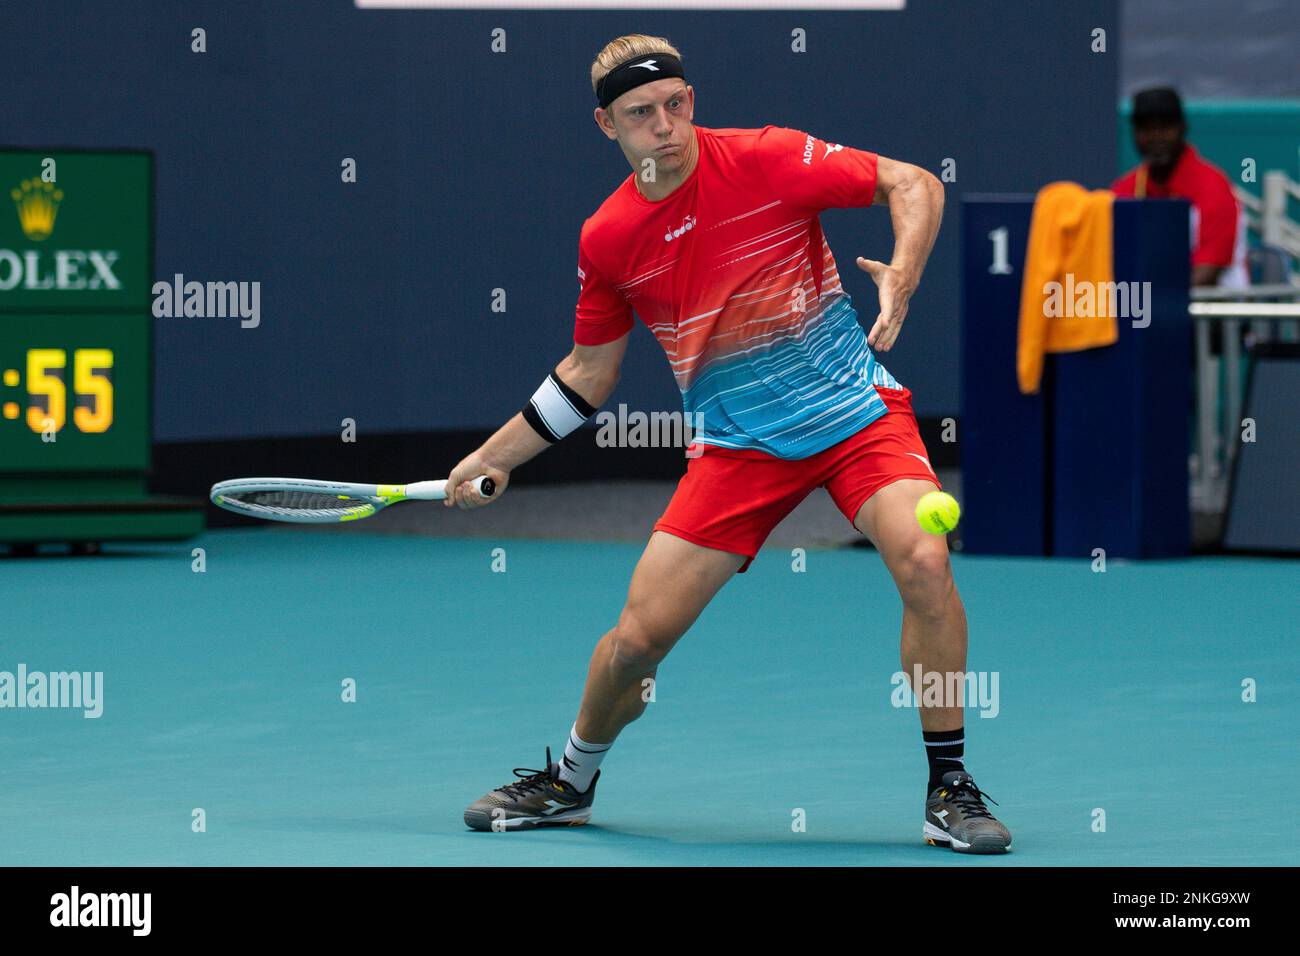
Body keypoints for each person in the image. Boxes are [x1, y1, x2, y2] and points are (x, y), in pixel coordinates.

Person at [444, 34, 1011, 853]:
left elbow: (912, 182)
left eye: (677, 104)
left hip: (856, 417)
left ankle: (948, 788)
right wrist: (494, 456)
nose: (665, 126)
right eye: (642, 114)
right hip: (737, 447)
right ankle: (570, 781)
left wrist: (904, 271)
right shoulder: (607, 238)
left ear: (692, 101)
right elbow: (587, 376)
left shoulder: (770, 158)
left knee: (925, 560)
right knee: (637, 639)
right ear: (608, 126)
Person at [1112, 86, 1248, 288]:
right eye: (1146, 129)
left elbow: (1207, 273)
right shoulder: (1124, 189)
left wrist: (1151, 304)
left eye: (1165, 127)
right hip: (1145, 309)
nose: (1156, 137)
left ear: (1182, 128)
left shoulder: (1213, 186)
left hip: (1216, 312)